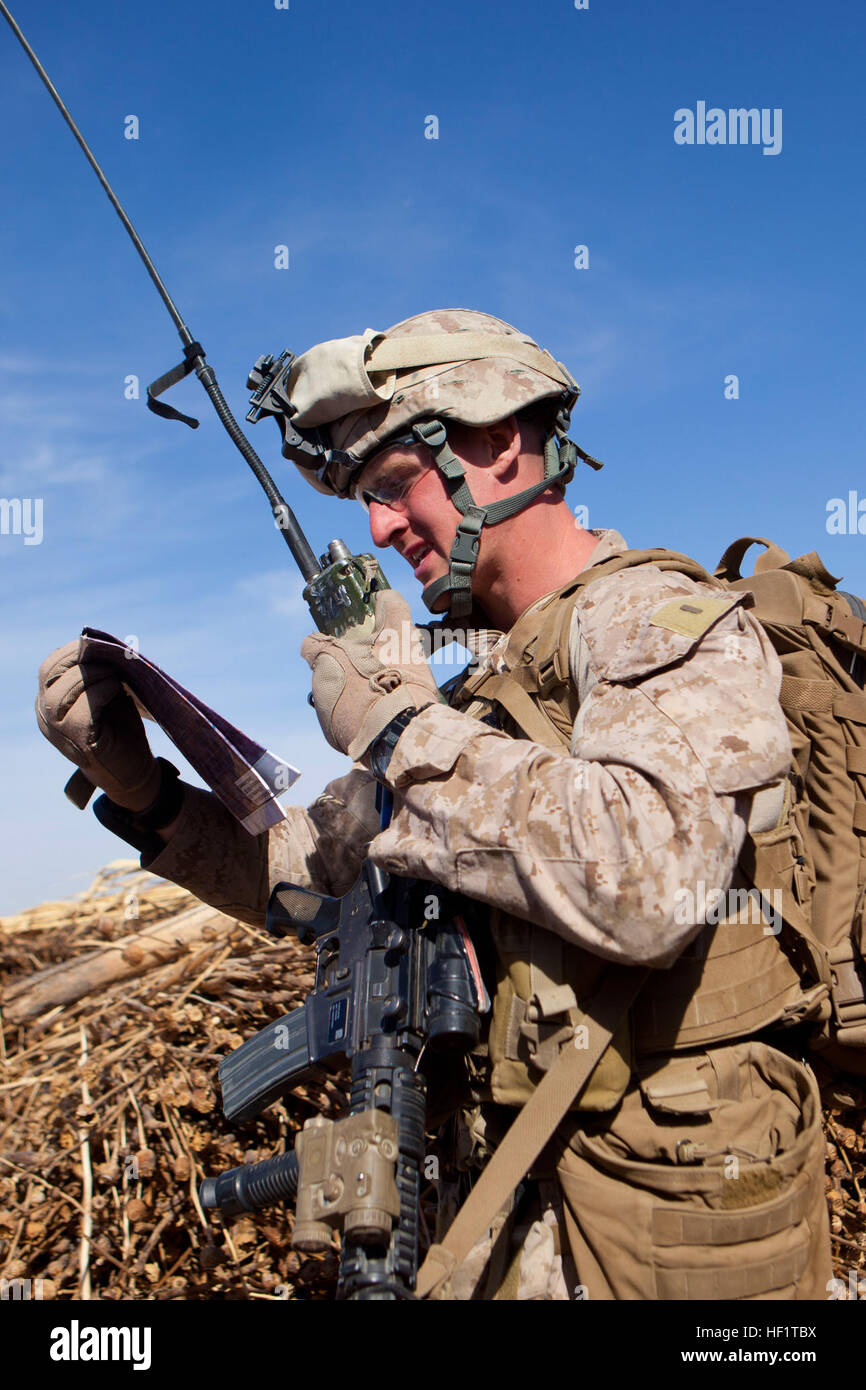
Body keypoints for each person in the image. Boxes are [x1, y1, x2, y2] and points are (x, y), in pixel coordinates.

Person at [36, 308, 832, 1300]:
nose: (375, 529)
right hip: (496, 1211)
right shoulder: (467, 689)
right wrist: (146, 791)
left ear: (498, 440)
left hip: (659, 1234)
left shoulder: (655, 622)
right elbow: (302, 879)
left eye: (393, 485)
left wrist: (395, 729)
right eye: (362, 500)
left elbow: (650, 877)